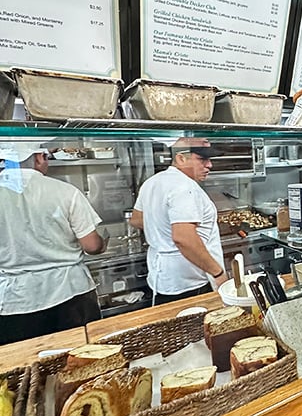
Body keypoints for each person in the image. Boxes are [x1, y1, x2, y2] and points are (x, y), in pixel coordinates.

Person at [0, 143, 107, 346]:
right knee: (82, 361)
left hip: (13, 301)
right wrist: (102, 243)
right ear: (39, 158)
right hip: (69, 293)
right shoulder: (65, 191)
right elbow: (92, 246)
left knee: (23, 369)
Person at [130, 137, 227, 304]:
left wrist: (163, 228)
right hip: (189, 281)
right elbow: (183, 238)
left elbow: (137, 219)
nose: (209, 165)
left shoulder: (153, 181)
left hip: (162, 278)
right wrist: (218, 273)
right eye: (202, 160)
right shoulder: (185, 187)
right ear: (181, 158)